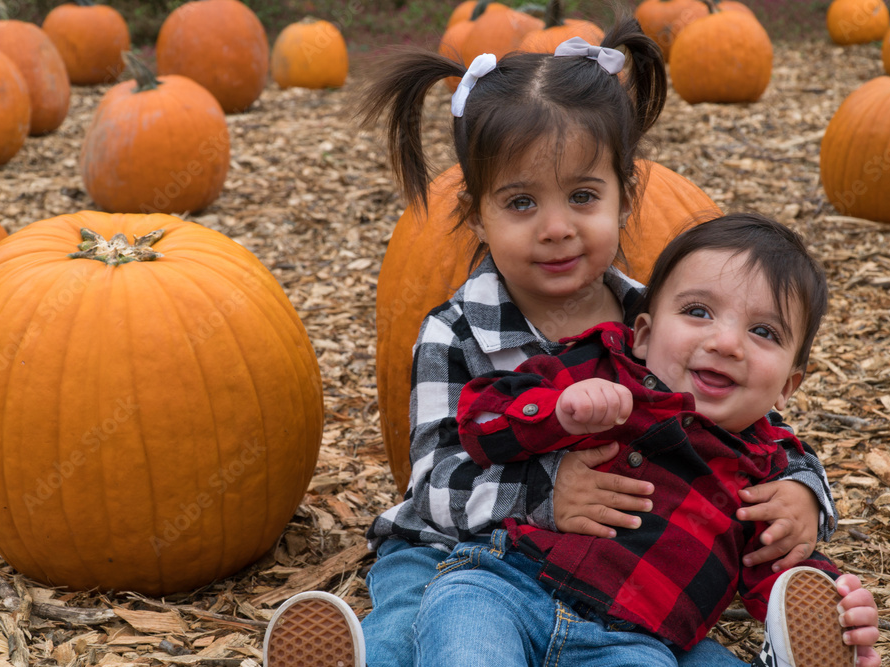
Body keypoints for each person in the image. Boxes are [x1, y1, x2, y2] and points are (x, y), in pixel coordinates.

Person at [262, 13, 840, 667]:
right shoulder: (453, 333)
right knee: (412, 625)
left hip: (610, 577)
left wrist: (804, 494)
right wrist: (546, 493)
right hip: (447, 546)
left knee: (676, 649)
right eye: (521, 203)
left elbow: (752, 429)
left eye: (583, 195)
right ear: (475, 215)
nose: (557, 227)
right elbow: (435, 486)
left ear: (625, 201)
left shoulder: (656, 328)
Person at [413, 213, 879, 666]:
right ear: (643, 335)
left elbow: (777, 566)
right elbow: (481, 420)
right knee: (465, 648)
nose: (726, 342)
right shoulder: (600, 370)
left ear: (787, 386)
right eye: (698, 312)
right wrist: (556, 413)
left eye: (763, 332)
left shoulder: (764, 473)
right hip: (503, 585)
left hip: (631, 641)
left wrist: (832, 604)